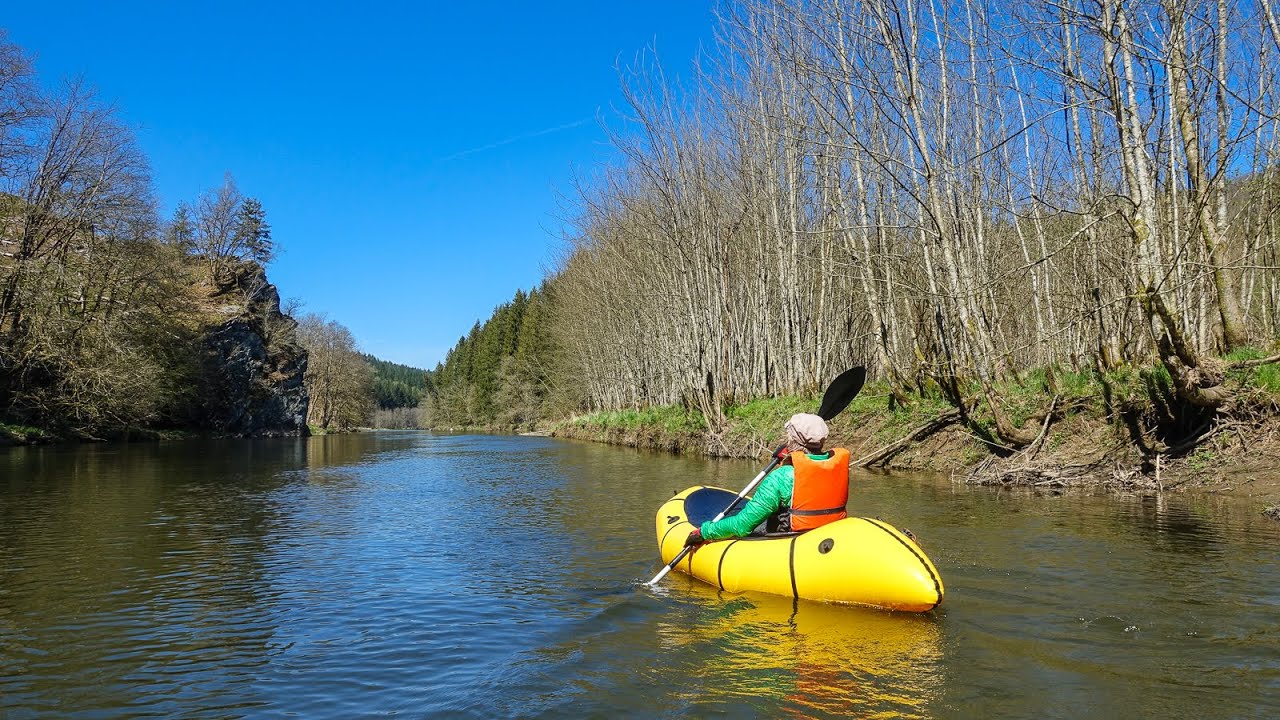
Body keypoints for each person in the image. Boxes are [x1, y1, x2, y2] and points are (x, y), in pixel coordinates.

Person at [685, 413, 851, 546]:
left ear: (792, 439)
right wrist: (790, 458)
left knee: (748, 523)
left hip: (789, 543)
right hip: (825, 539)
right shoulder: (836, 468)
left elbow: (741, 526)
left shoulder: (781, 477)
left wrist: (705, 532)